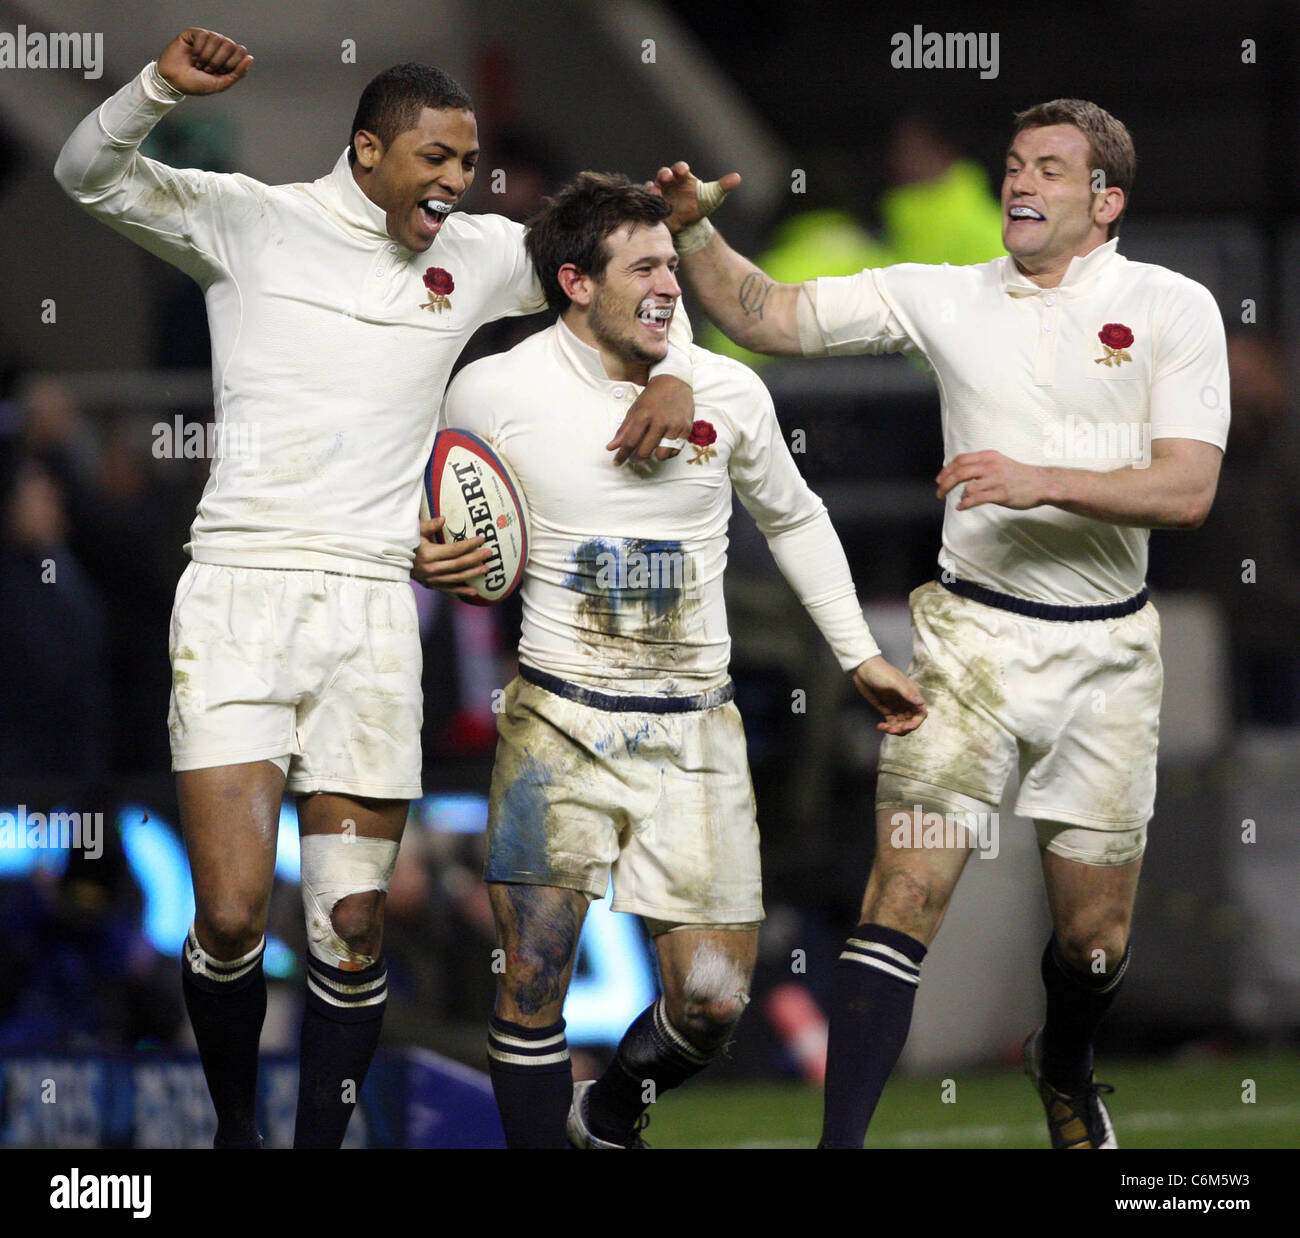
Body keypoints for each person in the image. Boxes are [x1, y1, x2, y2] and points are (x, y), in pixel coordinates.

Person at [54, 26, 696, 1149]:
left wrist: (677, 367)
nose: (457, 182)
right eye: (437, 159)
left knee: (351, 927)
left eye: (468, 163)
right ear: (367, 150)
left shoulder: (484, 252)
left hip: (370, 613)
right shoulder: (250, 221)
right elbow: (85, 172)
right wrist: (157, 87)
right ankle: (236, 1132)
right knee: (231, 912)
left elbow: (626, 263)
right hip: (239, 598)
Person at [652, 98, 1230, 1149]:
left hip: (1106, 652)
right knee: (904, 887)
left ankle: (1061, 1058)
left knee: (1094, 940)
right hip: (968, 639)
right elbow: (770, 315)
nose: (1021, 182)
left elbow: (1186, 490)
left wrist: (1034, 480)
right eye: (1014, 164)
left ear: (1106, 202)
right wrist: (694, 231)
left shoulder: (1171, 306)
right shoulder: (944, 295)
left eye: (1051, 169)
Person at [417, 171, 925, 1148]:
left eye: (670, 262)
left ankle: (607, 1111)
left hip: (694, 727)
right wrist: (426, 550)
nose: (667, 280)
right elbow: (436, 505)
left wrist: (859, 654)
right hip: (557, 717)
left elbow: (795, 515)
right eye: (643, 264)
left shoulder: (725, 389)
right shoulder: (493, 389)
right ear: (573, 280)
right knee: (530, 981)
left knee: (710, 1000)